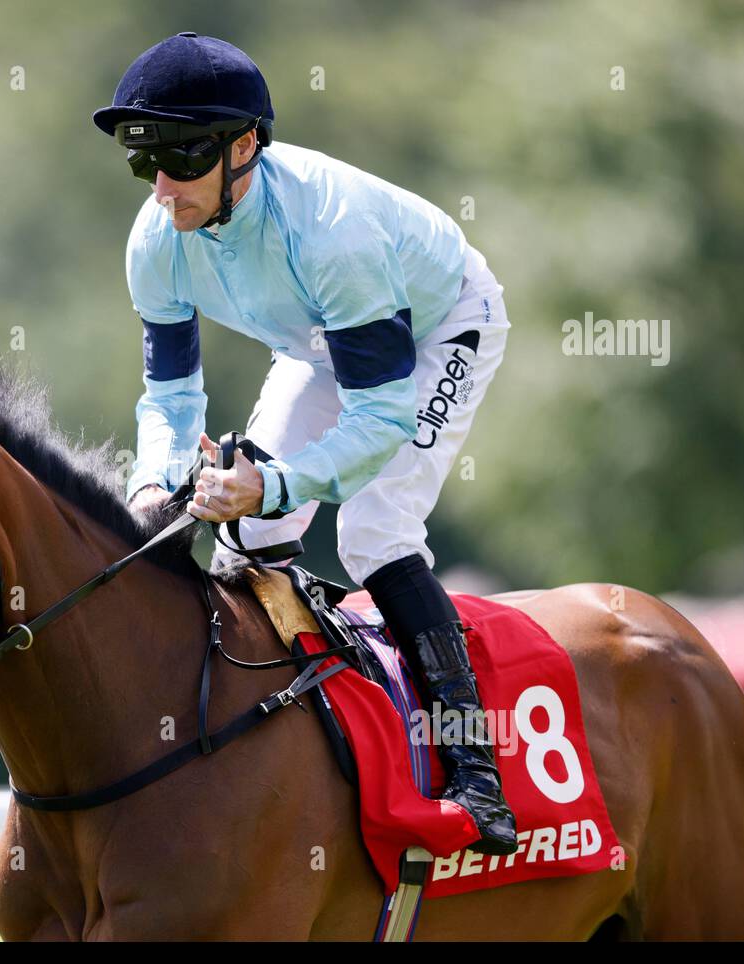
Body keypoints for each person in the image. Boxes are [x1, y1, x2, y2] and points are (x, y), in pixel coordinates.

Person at [94, 32, 516, 855]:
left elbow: (383, 418)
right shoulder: (156, 241)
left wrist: (277, 481)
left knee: (374, 529)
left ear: (244, 144)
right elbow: (172, 399)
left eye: (181, 158)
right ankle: (289, 734)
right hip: (326, 342)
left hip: (437, 327)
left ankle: (475, 764)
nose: (163, 190)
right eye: (146, 165)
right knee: (248, 535)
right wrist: (154, 484)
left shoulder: (332, 233)